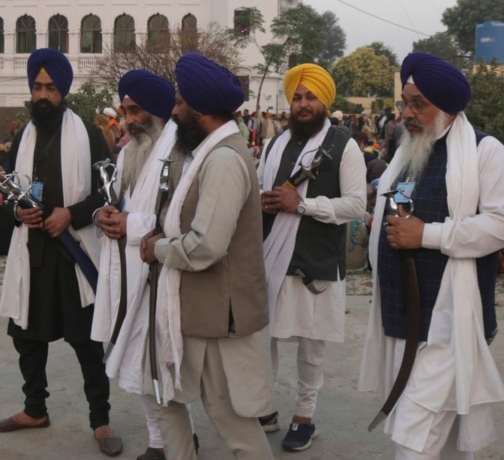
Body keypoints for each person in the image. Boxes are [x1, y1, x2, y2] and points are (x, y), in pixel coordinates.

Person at [359, 52, 504, 459]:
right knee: (441, 441)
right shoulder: (407, 151)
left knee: (414, 442)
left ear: (447, 109)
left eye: (419, 105)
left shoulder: (485, 152)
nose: (407, 114)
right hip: (403, 318)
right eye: (404, 103)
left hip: (449, 321)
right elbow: (397, 211)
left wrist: (427, 234)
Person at [0, 48, 122, 457]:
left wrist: (71, 214)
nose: (42, 94)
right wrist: (18, 211)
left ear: (63, 90)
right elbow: (9, 187)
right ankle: (35, 410)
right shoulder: (22, 137)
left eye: (50, 87)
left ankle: (100, 421)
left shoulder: (88, 132)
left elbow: (109, 190)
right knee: (27, 338)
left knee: (86, 342)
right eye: (37, 87)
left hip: (74, 251)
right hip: (32, 253)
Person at [140, 52, 273, 459]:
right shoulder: (206, 153)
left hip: (217, 314)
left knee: (230, 418)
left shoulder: (224, 159)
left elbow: (208, 245)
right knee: (163, 396)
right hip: (191, 306)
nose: (174, 111)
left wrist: (159, 248)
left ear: (200, 110)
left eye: (179, 104)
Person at [257, 64, 368, 452]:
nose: (303, 105)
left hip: (316, 259)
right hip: (271, 254)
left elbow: (357, 205)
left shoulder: (344, 145)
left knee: (311, 344)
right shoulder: (274, 145)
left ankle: (304, 416)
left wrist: (302, 205)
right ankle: (264, 406)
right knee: (262, 335)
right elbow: (260, 187)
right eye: (297, 97)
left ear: (325, 101)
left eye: (310, 97)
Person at [93, 69, 179, 460]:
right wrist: (105, 216)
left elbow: (184, 221)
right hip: (128, 273)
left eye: (136, 110)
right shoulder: (128, 151)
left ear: (158, 112)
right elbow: (121, 202)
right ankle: (160, 443)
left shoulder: (181, 153)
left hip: (163, 274)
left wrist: (132, 225)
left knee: (161, 365)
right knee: (136, 364)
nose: (128, 120)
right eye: (125, 110)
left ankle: (174, 441)